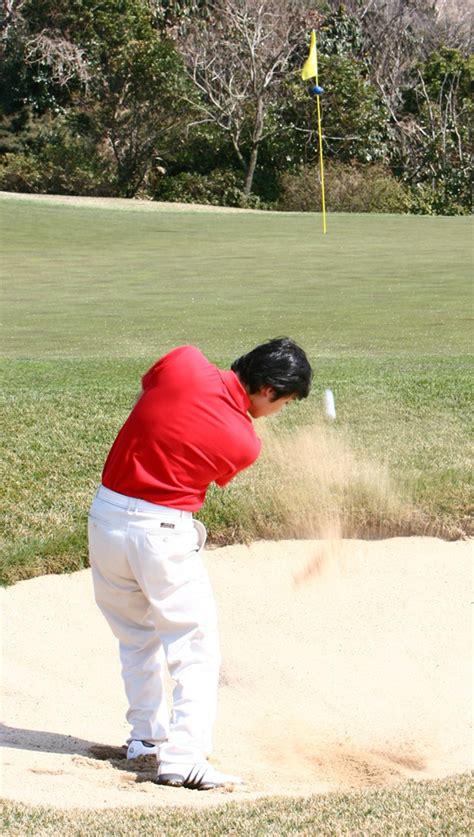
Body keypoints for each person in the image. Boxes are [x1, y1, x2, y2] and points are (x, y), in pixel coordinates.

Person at [88, 337, 312, 790]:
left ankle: (146, 740)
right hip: (162, 533)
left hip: (106, 518)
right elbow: (211, 456)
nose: (279, 411)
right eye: (284, 403)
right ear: (267, 390)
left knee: (136, 637)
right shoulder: (244, 443)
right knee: (195, 646)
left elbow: (149, 395)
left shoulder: (185, 361)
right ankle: (184, 757)